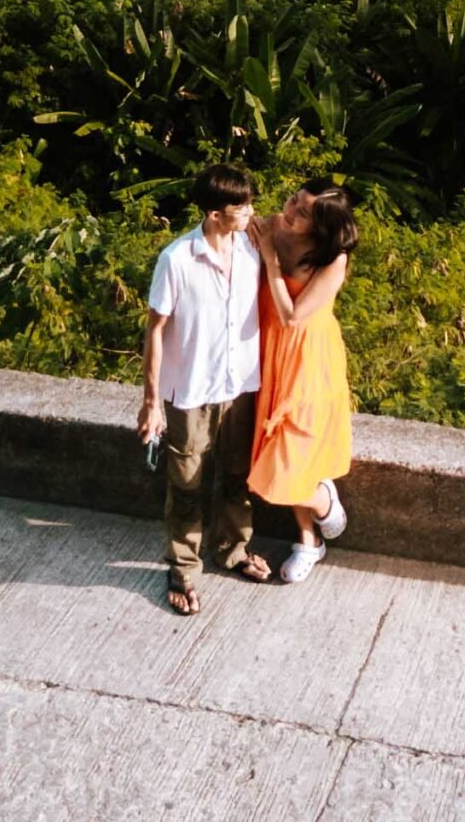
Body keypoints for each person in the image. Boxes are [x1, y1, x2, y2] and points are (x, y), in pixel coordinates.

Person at [138, 162, 273, 616]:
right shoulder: (176, 259)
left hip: (241, 387)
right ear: (215, 214)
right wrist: (151, 403)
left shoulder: (253, 250)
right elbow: (155, 330)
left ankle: (232, 550)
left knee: (238, 477)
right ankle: (182, 571)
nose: (251, 211)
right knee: (188, 485)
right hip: (191, 392)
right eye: (242, 206)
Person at [247, 178, 357, 584]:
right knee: (274, 447)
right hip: (267, 350)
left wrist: (272, 259)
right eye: (294, 200)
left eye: (303, 211)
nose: (290, 211)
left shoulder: (332, 259)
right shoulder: (273, 223)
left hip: (308, 359)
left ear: (321, 226)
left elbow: (294, 315)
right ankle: (310, 541)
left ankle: (325, 500)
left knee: (287, 460)